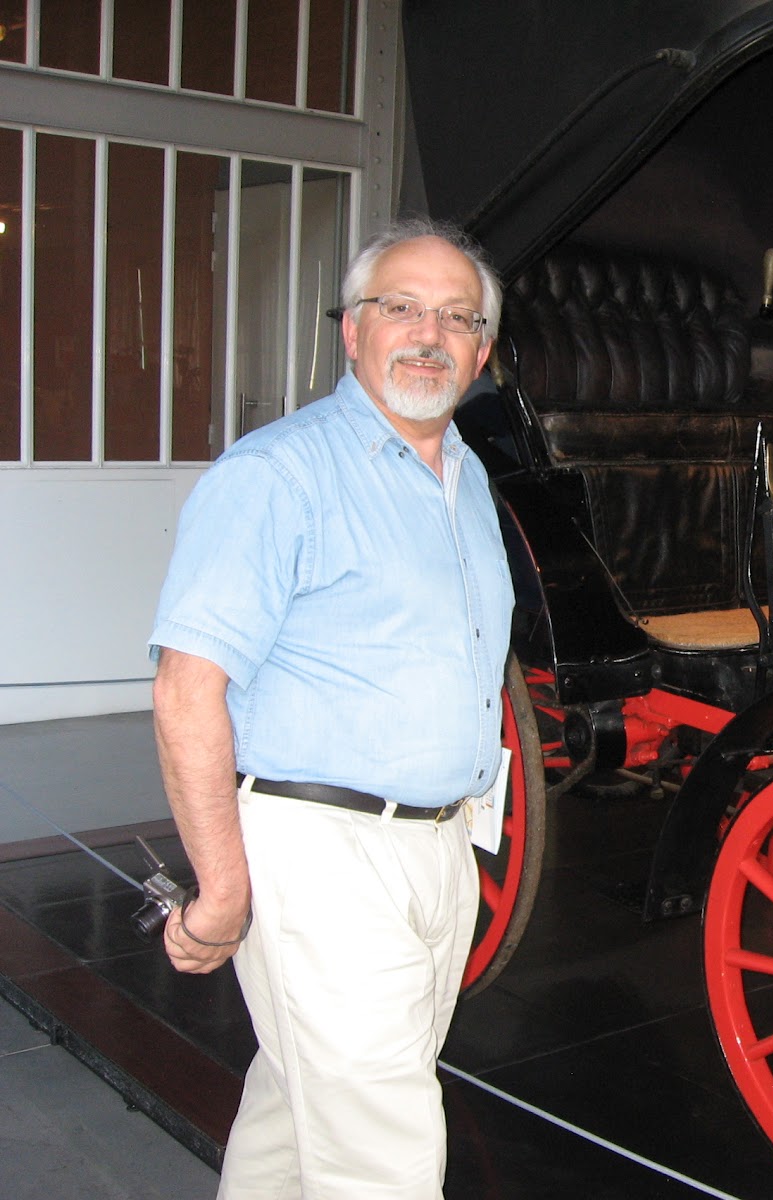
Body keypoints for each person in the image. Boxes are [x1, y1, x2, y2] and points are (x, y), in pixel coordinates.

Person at [148, 217, 512, 1200]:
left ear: (482, 350)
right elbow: (186, 691)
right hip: (318, 853)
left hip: (440, 850)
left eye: (457, 317)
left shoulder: (468, 477)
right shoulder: (277, 476)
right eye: (400, 307)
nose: (428, 335)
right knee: (382, 1155)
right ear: (352, 330)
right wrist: (223, 889)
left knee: (300, 1102)